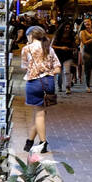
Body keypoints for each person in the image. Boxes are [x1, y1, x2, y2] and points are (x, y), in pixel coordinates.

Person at [21, 25, 61, 154]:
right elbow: (58, 68)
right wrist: (47, 72)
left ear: (31, 35)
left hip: (34, 83)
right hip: (48, 83)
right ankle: (29, 142)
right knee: (40, 113)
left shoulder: (27, 49)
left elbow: (24, 67)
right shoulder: (49, 48)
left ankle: (43, 143)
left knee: (39, 113)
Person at [77, 20, 92, 92]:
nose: (87, 23)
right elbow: (84, 42)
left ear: (91, 23)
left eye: (88, 21)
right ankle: (87, 86)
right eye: (85, 22)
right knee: (87, 70)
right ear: (83, 24)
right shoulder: (82, 32)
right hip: (86, 53)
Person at [53, 21, 76, 94]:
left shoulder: (71, 36)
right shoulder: (58, 35)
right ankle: (59, 86)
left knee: (66, 72)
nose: (67, 29)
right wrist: (61, 48)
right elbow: (52, 45)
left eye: (69, 28)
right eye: (66, 27)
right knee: (59, 73)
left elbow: (74, 47)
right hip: (58, 56)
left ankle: (67, 87)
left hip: (68, 56)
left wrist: (72, 49)